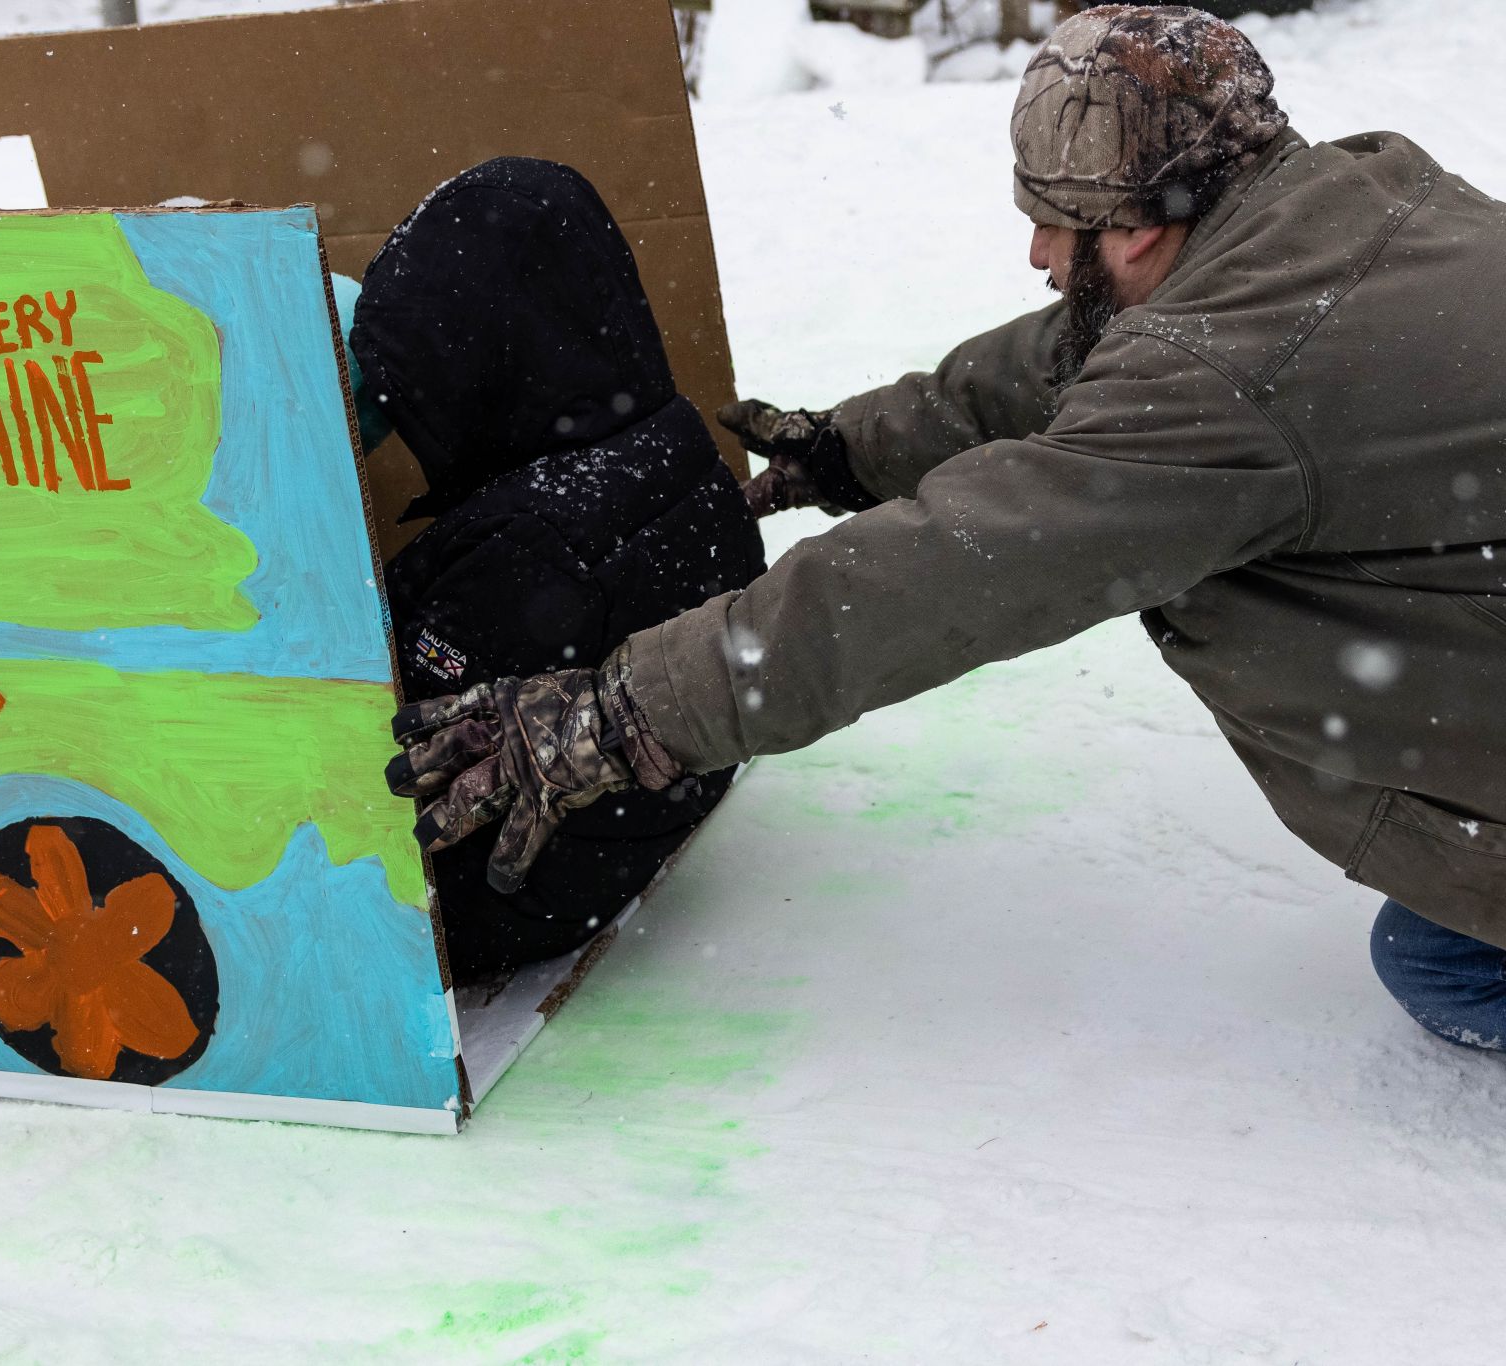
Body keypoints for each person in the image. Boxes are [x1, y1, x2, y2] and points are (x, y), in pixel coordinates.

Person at [388, 5, 1506, 1047]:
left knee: (1440, 964)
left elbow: (961, 569)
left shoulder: (1229, 381)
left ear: (1137, 229)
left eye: (1051, 223)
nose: (1035, 255)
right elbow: (1084, 358)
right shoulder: (1352, 200)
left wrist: (630, 709)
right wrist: (851, 447)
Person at [351, 157, 765, 984]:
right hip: (635, 829)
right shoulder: (665, 438)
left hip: (512, 900)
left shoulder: (532, 549)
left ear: (475, 361)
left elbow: (384, 763)